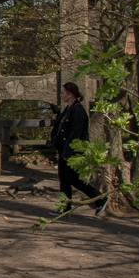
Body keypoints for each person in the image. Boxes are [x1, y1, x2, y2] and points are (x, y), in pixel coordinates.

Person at [49, 81, 103, 213]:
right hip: (64, 150)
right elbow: (61, 127)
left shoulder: (78, 110)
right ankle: (65, 207)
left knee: (73, 178)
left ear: (71, 94)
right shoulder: (68, 109)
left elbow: (76, 133)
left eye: (64, 93)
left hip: (73, 151)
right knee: (64, 179)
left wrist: (68, 151)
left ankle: (99, 198)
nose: (62, 95)